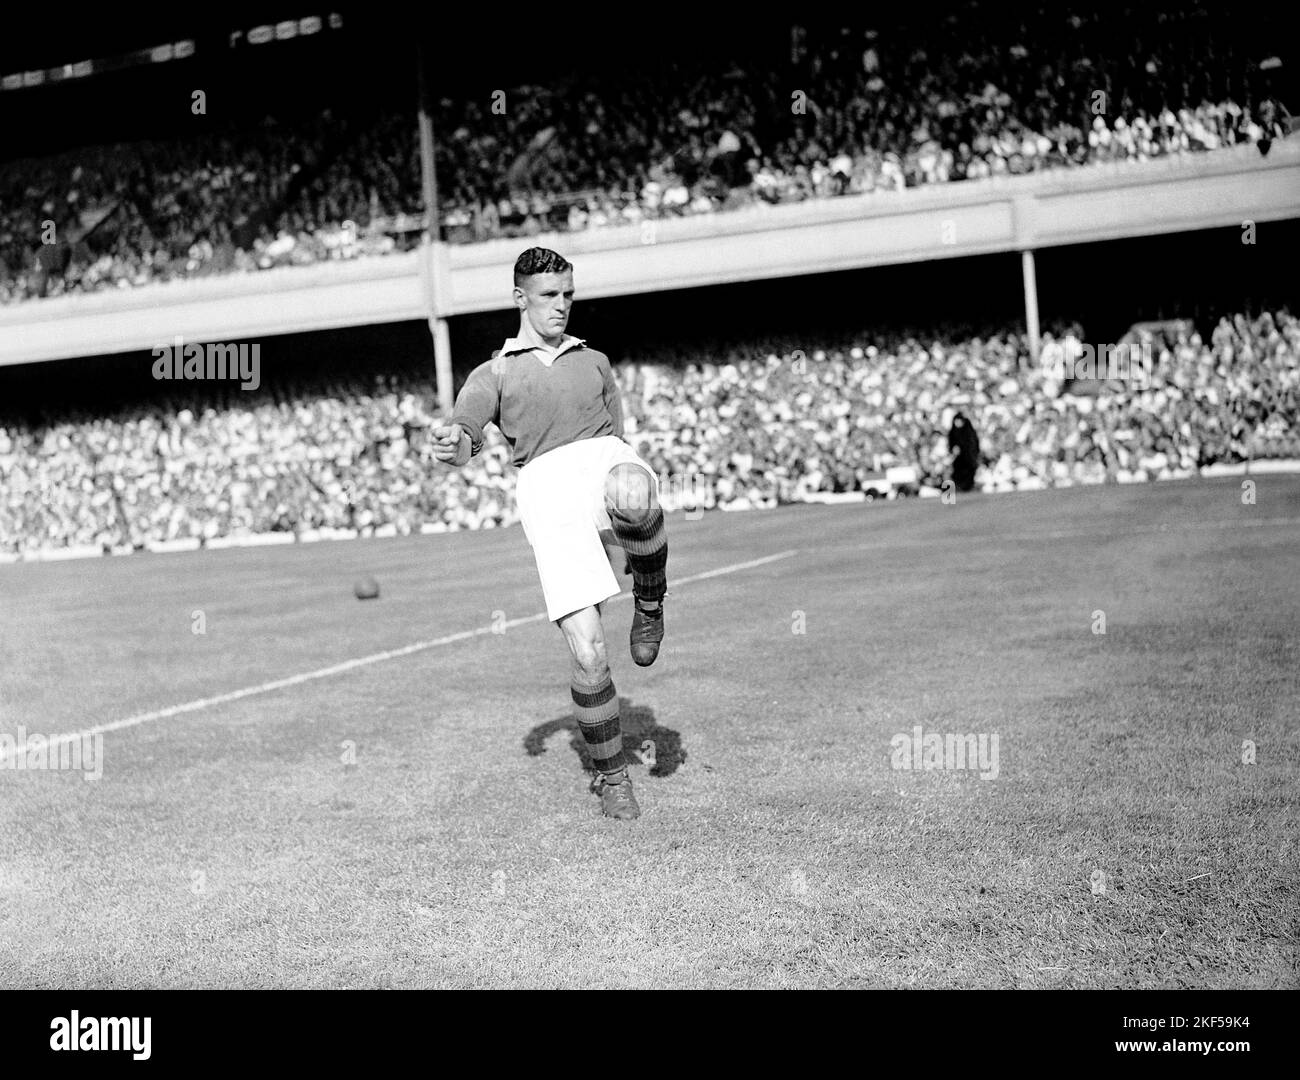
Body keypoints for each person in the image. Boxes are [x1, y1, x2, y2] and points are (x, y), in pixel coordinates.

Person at [431, 247, 668, 820]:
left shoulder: (596, 361)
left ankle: (651, 599)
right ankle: (612, 778)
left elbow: (622, 441)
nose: (561, 306)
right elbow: (465, 435)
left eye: (567, 294)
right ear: (520, 299)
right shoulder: (494, 373)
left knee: (634, 490)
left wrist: (621, 479)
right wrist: (452, 447)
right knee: (588, 652)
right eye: (547, 296)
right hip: (545, 487)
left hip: (602, 460)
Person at [948, 411, 981, 493]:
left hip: (968, 459)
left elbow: (973, 445)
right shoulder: (953, 432)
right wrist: (953, 449)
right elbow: (951, 444)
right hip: (957, 460)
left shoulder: (969, 431)